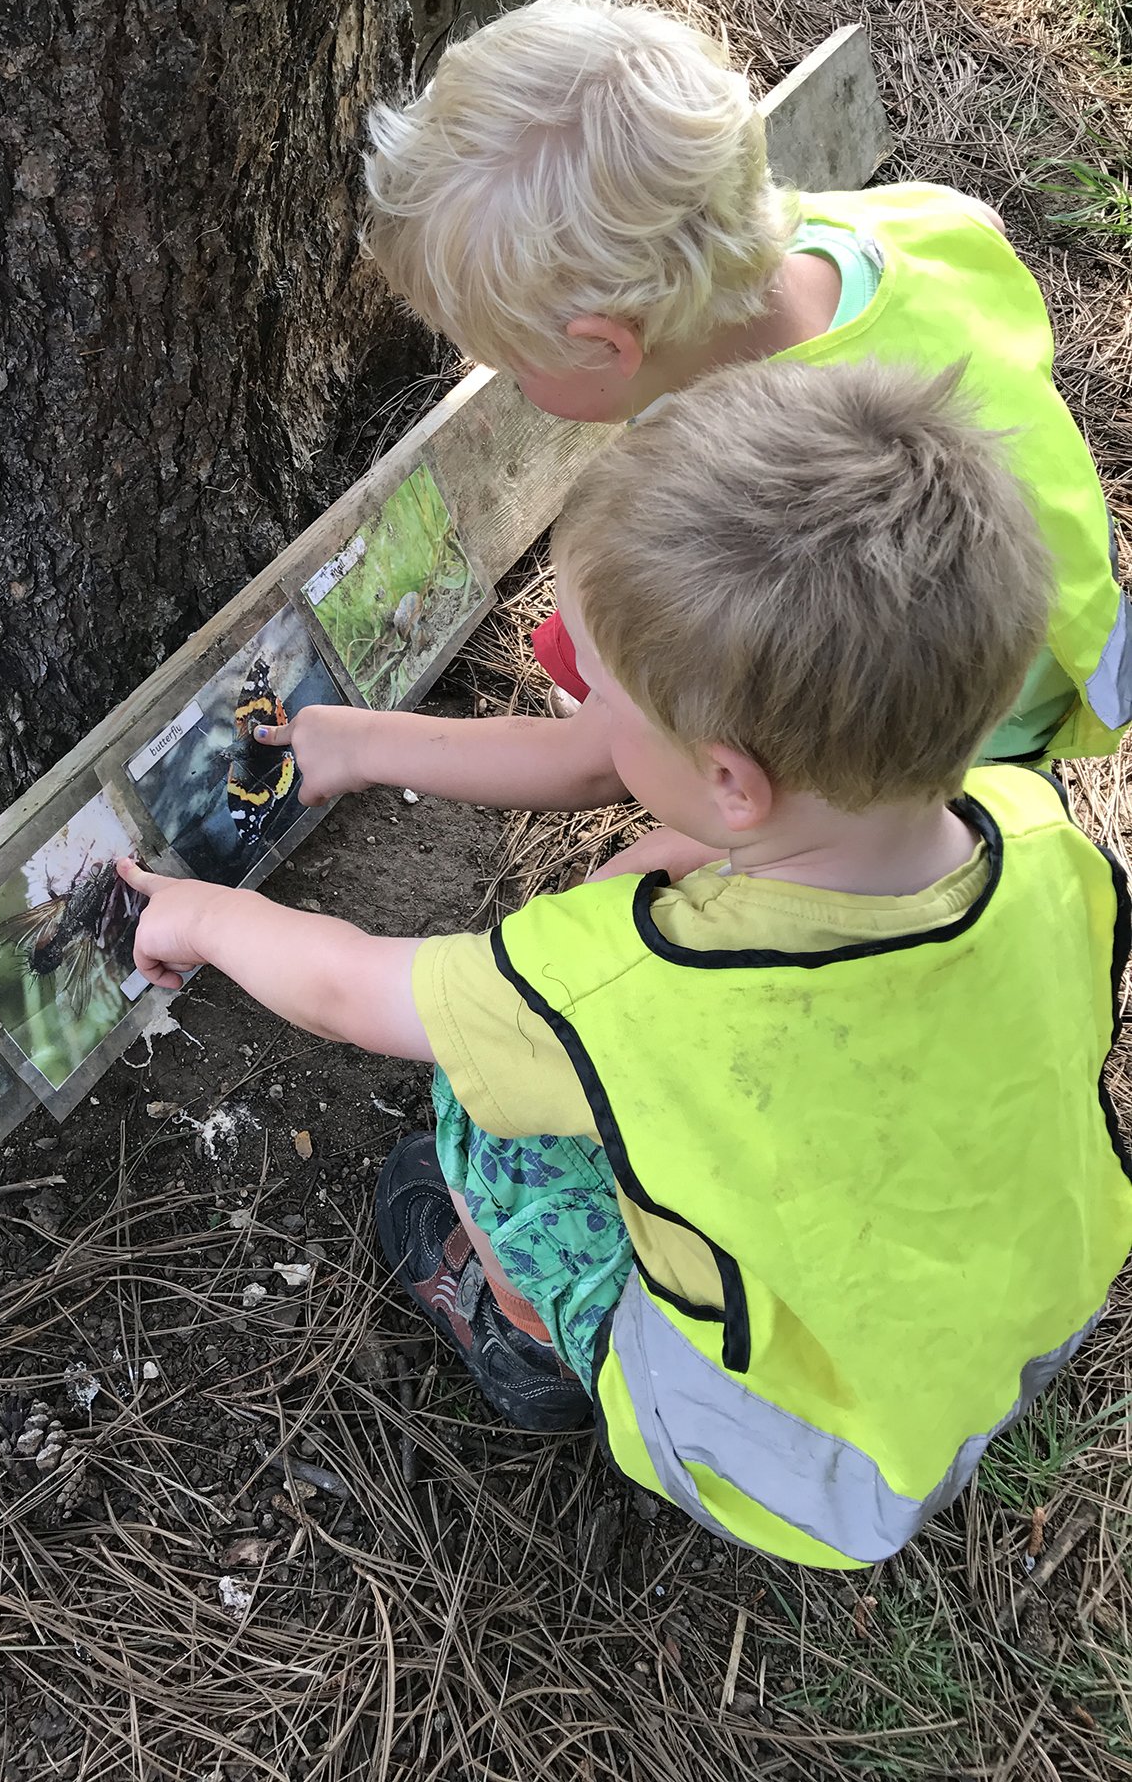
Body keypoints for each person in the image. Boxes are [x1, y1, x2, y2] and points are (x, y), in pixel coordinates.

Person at [118, 358, 1132, 1570]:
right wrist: (358, 744)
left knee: (480, 1102)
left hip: (804, 1449)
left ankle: (537, 1337)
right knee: (646, 936)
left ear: (729, 780)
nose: (575, 689)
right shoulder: (1035, 831)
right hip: (997, 1325)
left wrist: (203, 918)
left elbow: (355, 988)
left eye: (598, 690)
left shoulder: (626, 985)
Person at [364, 0, 1131, 766]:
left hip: (958, 724)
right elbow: (979, 220)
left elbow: (620, 747)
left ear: (607, 347)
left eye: (508, 362)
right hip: (1058, 583)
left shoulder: (776, 485)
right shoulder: (886, 225)